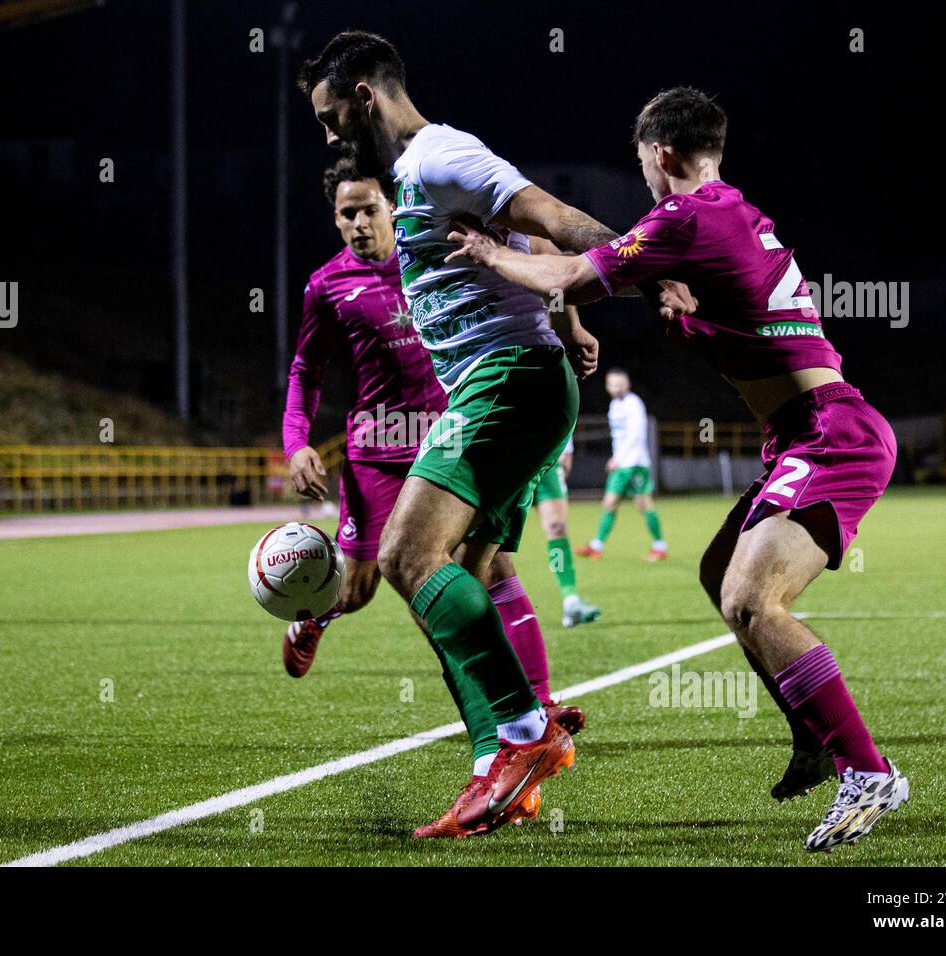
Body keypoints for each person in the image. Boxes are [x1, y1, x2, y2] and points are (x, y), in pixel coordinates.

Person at [447, 87, 907, 852]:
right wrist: (694, 328)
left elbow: (568, 279)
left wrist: (491, 252)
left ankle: (868, 769)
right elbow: (769, 326)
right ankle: (815, 736)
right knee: (718, 570)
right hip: (810, 429)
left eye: (642, 164)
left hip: (830, 435)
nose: (645, 181)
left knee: (751, 600)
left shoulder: (687, 215)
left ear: (660, 154)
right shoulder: (740, 214)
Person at [299, 31, 696, 838]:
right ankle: (496, 769)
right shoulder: (410, 174)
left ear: (365, 95)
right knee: (466, 576)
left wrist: (644, 270)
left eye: (332, 117)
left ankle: (524, 732)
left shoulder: (444, 155)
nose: (331, 136)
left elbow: (550, 216)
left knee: (410, 558)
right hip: (497, 381)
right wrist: (572, 315)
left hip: (507, 376)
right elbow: (530, 246)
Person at [281, 160, 585, 809]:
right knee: (359, 588)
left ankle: (529, 717)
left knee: (485, 570)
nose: (359, 224)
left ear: (393, 207)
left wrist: (571, 325)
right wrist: (298, 441)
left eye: (369, 209)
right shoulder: (327, 286)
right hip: (375, 457)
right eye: (346, 214)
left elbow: (533, 258)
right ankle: (316, 615)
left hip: (446, 432)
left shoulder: (430, 258)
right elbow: (307, 368)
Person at [577, 368, 668, 561]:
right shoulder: (614, 405)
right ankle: (596, 546)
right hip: (623, 463)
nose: (615, 387)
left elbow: (636, 435)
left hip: (634, 463)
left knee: (641, 504)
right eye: (611, 384)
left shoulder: (633, 403)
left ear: (627, 384)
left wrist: (618, 459)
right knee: (612, 503)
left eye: (619, 384)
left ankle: (659, 547)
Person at [529, 429, 601, 626]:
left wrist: (566, 450)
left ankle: (569, 599)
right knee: (496, 535)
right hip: (510, 455)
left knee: (557, 527)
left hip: (548, 459)